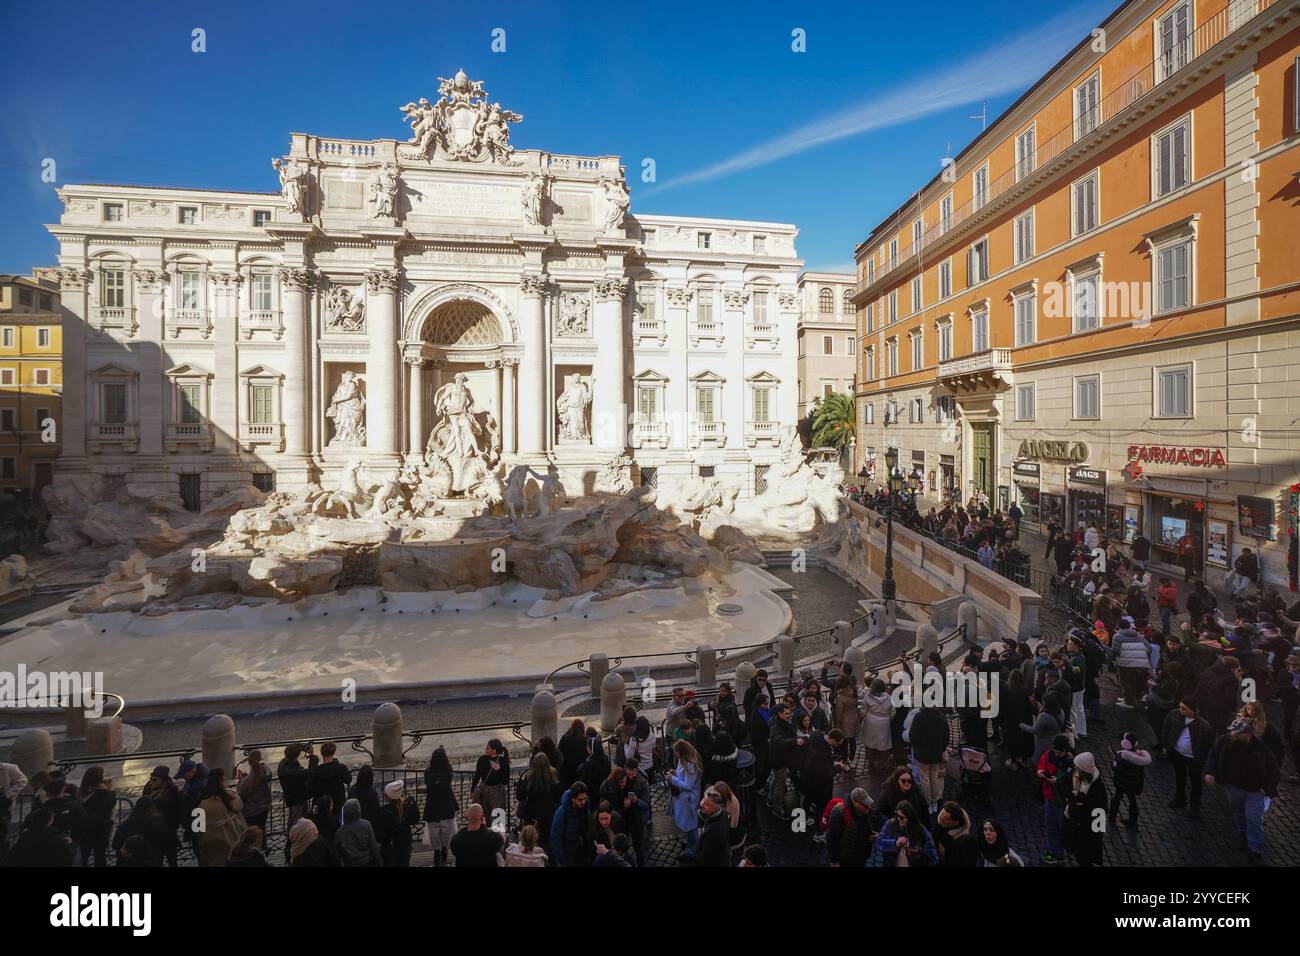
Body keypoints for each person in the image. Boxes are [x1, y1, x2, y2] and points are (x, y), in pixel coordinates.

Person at [1204, 716, 1279, 863]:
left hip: (1255, 791)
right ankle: (1244, 835)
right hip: (1233, 787)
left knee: (1253, 819)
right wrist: (1209, 771)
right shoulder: (1226, 740)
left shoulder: (1262, 750)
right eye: (1233, 732)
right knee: (1238, 813)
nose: (1233, 735)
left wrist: (1269, 790)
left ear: (1247, 735)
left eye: (1237, 733)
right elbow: (1213, 754)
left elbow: (1274, 770)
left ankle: (1255, 849)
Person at [601, 758, 652, 866]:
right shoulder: (621, 778)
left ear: (637, 770)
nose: (630, 777)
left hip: (637, 819)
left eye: (633, 774)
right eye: (628, 774)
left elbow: (647, 805)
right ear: (625, 769)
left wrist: (636, 801)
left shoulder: (642, 782)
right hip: (624, 819)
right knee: (622, 847)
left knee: (639, 848)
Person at [1061, 752, 1108, 868]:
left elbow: (1096, 811)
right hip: (1077, 825)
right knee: (1078, 853)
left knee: (1083, 856)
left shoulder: (1097, 791)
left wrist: (1076, 795)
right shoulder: (1077, 775)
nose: (1074, 769)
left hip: (1087, 829)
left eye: (1077, 767)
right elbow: (1064, 785)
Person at [196, 769, 246, 868]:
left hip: (210, 842)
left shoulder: (201, 802)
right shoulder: (230, 798)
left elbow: (197, 828)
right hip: (230, 839)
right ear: (222, 781)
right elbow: (240, 806)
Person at [110, 795, 177, 868]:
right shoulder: (150, 823)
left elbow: (116, 843)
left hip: (126, 859)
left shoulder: (127, 822)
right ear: (149, 808)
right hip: (143, 859)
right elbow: (163, 840)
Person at [515, 751, 562, 852]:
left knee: (531, 839)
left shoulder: (528, 777)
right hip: (549, 813)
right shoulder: (553, 776)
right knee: (547, 839)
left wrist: (521, 783)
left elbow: (520, 796)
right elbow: (558, 796)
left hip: (532, 813)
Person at [277, 743, 319, 855]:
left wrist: (301, 747)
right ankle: (292, 848)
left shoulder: (283, 764)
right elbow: (311, 773)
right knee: (296, 825)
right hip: (298, 800)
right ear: (296, 756)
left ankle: (292, 847)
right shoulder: (295, 772)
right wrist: (312, 756)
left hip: (292, 799)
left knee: (294, 824)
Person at [908, 702, 950, 814]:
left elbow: (912, 736)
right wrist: (941, 748)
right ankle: (935, 802)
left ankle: (928, 803)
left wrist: (917, 746)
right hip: (936, 753)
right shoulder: (941, 717)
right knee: (934, 777)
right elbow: (947, 737)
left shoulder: (919, 717)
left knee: (925, 778)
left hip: (922, 753)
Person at [1036, 734, 1072, 864]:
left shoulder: (1071, 763)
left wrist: (1058, 782)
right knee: (1051, 825)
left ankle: (1060, 851)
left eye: (1058, 752)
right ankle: (1055, 852)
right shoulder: (1050, 753)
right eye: (1055, 751)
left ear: (1065, 751)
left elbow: (1072, 785)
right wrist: (1040, 772)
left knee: (1061, 826)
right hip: (1049, 795)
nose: (1056, 754)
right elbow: (1042, 763)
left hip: (1061, 800)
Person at [667, 740, 704, 863]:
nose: (675, 755)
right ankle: (691, 844)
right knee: (689, 823)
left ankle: (692, 849)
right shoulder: (685, 760)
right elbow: (684, 776)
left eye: (676, 752)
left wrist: (673, 779)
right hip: (684, 798)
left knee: (691, 824)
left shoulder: (690, 764)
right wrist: (676, 773)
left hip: (689, 799)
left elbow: (688, 785)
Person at [871, 799, 938, 867]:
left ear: (909, 817)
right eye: (897, 815)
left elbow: (933, 856)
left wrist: (917, 852)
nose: (898, 819)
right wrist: (895, 844)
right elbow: (879, 842)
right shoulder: (890, 824)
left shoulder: (921, 830)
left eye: (901, 817)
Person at [422, 747, 458, 867]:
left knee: (433, 832)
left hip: (432, 806)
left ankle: (436, 851)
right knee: (446, 831)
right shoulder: (448, 771)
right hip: (446, 806)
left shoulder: (428, 773)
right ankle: (444, 849)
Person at [1108, 732, 1152, 830]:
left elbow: (1115, 768)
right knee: (1133, 801)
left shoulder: (1122, 756)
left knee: (1117, 798)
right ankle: (1133, 822)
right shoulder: (1140, 756)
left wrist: (1114, 761)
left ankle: (1112, 816)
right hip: (1134, 785)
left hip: (1121, 783)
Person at [826, 788, 879, 867]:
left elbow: (869, 824)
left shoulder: (866, 810)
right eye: (865, 806)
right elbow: (832, 838)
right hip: (847, 859)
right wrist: (834, 861)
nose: (869, 808)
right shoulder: (838, 812)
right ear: (855, 803)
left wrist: (872, 834)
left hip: (862, 856)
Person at [7, 807, 75, 867]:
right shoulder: (56, 840)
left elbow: (12, 857)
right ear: (50, 821)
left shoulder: (25, 836)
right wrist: (69, 845)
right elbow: (68, 860)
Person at [77, 766, 116, 868]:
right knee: (100, 856)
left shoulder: (82, 791)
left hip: (85, 829)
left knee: (84, 855)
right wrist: (110, 789)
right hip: (100, 829)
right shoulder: (103, 792)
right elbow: (110, 804)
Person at [1112, 617, 1155, 709]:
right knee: (1136, 682)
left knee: (1126, 682)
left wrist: (1125, 655)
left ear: (1119, 627)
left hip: (1125, 663)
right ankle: (1132, 698)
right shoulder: (1138, 635)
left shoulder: (1117, 636)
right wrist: (1140, 655)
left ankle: (1128, 702)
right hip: (1140, 664)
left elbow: (1116, 650)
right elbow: (1149, 648)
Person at [378, 780, 420, 868]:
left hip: (391, 847)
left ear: (389, 797)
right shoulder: (407, 806)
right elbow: (415, 819)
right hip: (405, 843)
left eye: (385, 793)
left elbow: (382, 833)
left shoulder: (385, 812)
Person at [549, 781, 592, 867]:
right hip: (569, 855)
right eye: (580, 800)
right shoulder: (562, 812)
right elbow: (555, 837)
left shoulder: (585, 806)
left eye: (585, 798)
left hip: (582, 851)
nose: (583, 802)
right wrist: (564, 860)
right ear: (572, 799)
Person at [236, 750, 272, 846]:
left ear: (249, 761)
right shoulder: (265, 769)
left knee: (252, 834)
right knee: (261, 830)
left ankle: (255, 851)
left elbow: (241, 793)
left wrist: (240, 780)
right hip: (264, 806)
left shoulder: (249, 780)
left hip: (251, 811)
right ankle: (263, 848)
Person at [311, 742, 352, 821]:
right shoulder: (340, 768)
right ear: (333, 753)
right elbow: (348, 780)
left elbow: (312, 788)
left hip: (322, 804)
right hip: (338, 802)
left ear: (322, 754)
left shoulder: (317, 771)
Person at [471, 739, 510, 820]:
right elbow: (477, 776)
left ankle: (497, 833)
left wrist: (498, 770)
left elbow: (505, 781)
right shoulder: (482, 759)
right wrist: (472, 790)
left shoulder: (503, 762)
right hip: (484, 790)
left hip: (498, 792)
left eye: (488, 748)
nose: (485, 749)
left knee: (497, 818)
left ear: (494, 750)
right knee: (485, 816)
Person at [932, 800, 978, 867]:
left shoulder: (968, 842)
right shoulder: (941, 825)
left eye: (946, 819)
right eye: (942, 814)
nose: (941, 818)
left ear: (956, 822)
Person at [695, 787, 731, 866]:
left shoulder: (712, 833)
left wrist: (696, 859)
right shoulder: (724, 813)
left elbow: (706, 858)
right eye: (703, 801)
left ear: (715, 808)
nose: (701, 804)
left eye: (707, 805)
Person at [348, 764, 383, 832]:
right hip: (369, 826)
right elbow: (376, 812)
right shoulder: (372, 793)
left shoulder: (352, 790)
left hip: (354, 826)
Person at [558, 719, 588, 790]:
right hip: (579, 770)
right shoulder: (584, 740)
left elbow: (559, 751)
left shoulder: (565, 737)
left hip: (567, 769)